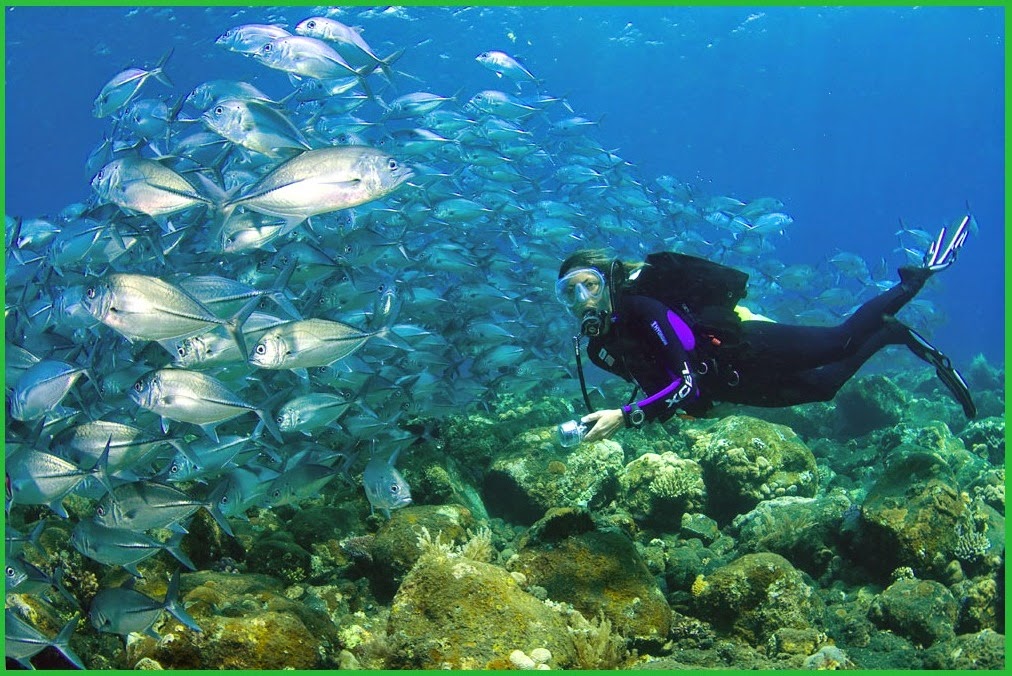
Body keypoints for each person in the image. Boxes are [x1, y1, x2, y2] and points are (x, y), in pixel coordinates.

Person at [555, 215, 976, 443]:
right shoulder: (598, 351)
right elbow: (663, 387)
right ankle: (890, 333)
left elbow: (682, 382)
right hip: (732, 386)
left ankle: (912, 280)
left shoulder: (644, 309)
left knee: (839, 340)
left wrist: (625, 417)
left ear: (608, 281)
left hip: (745, 347)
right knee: (824, 387)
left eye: (588, 285)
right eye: (568, 294)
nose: (581, 301)